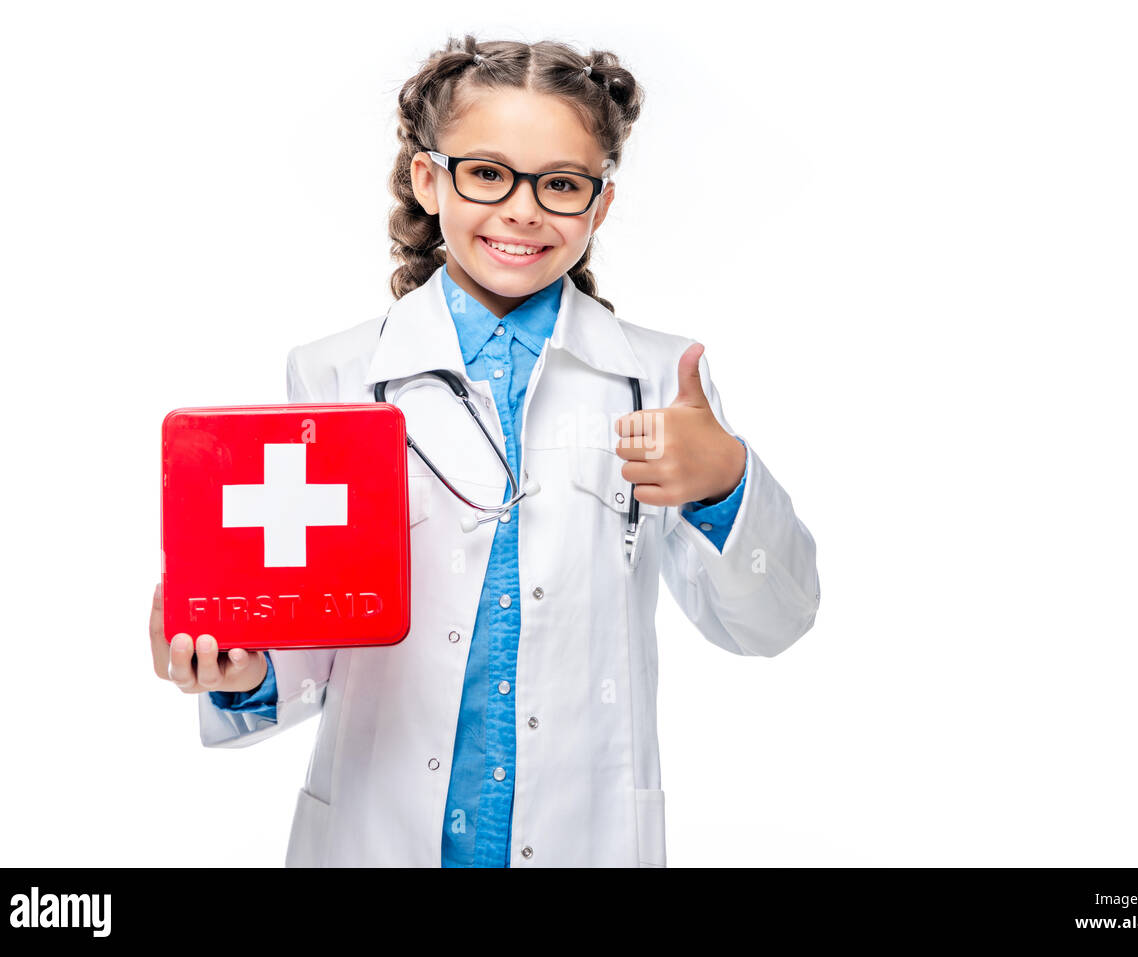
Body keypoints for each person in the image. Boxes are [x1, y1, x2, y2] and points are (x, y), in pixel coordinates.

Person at [149, 34, 820, 867]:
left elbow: (772, 622)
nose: (523, 209)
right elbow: (317, 636)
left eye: (562, 184)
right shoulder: (338, 374)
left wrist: (725, 482)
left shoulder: (658, 380)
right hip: (378, 830)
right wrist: (244, 666)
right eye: (487, 172)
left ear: (600, 206)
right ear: (429, 178)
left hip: (586, 830)